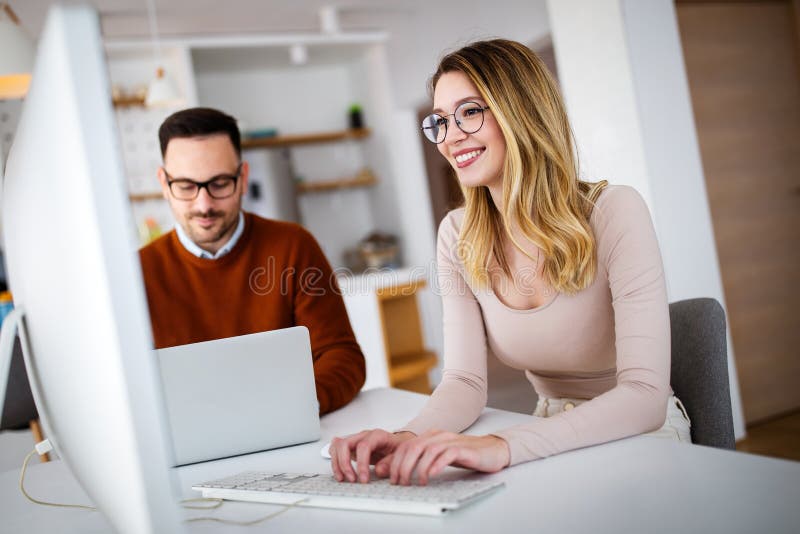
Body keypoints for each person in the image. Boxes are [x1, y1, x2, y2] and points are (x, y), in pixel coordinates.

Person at [329, 39, 691, 485]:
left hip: (641, 434)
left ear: (520, 112)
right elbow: (464, 381)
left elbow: (643, 397)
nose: (451, 136)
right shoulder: (457, 235)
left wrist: (503, 446)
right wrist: (405, 435)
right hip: (546, 432)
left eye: (470, 112)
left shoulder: (614, 211)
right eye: (440, 121)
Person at [139, 107, 365, 415]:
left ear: (243, 178)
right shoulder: (137, 275)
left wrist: (291, 407)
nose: (204, 205)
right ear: (164, 184)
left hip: (287, 426)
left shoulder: (293, 246)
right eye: (186, 186)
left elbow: (342, 357)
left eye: (219, 184)